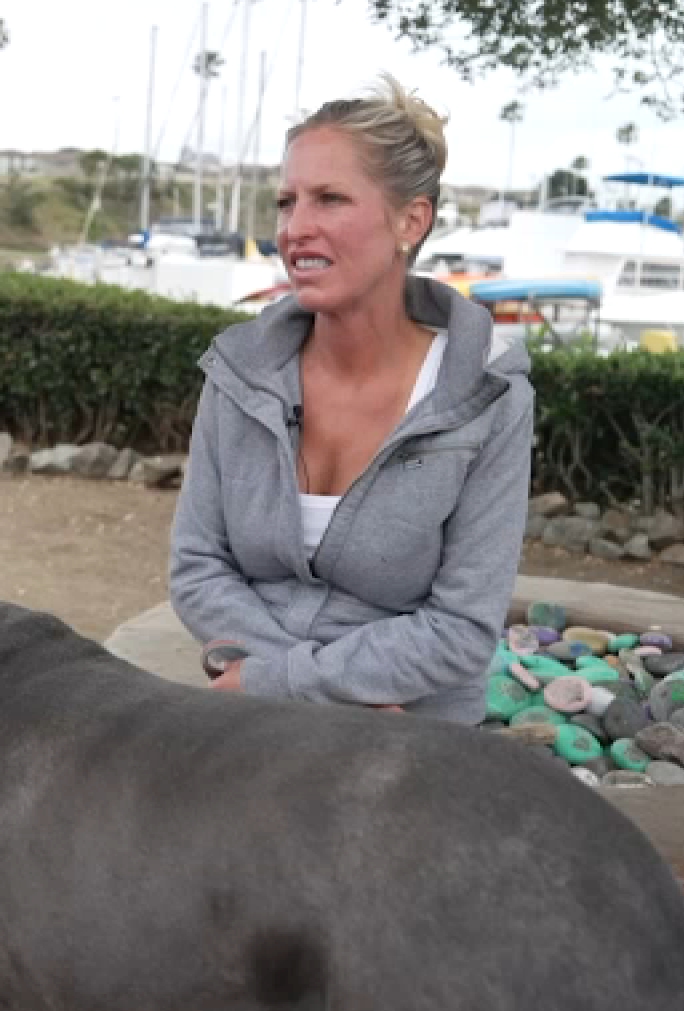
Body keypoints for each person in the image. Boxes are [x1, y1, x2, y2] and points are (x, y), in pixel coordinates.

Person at [166, 73, 534, 725]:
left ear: (410, 220)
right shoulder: (239, 372)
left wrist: (287, 684)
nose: (295, 229)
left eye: (330, 199)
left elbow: (462, 626)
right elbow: (198, 567)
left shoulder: (489, 395)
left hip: (408, 728)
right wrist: (305, 688)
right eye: (287, 202)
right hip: (255, 710)